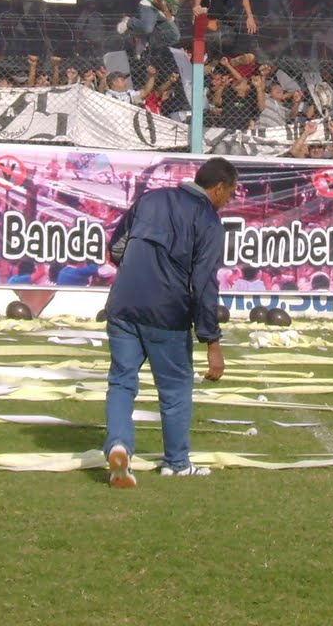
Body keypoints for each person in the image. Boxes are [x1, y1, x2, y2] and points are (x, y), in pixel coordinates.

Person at [102, 155, 235, 485]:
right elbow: (205, 282)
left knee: (121, 381)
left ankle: (118, 445)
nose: (228, 200)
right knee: (175, 388)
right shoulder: (208, 221)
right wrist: (212, 342)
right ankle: (176, 461)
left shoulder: (151, 199)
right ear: (218, 188)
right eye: (230, 193)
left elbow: (116, 248)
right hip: (167, 313)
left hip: (123, 304)